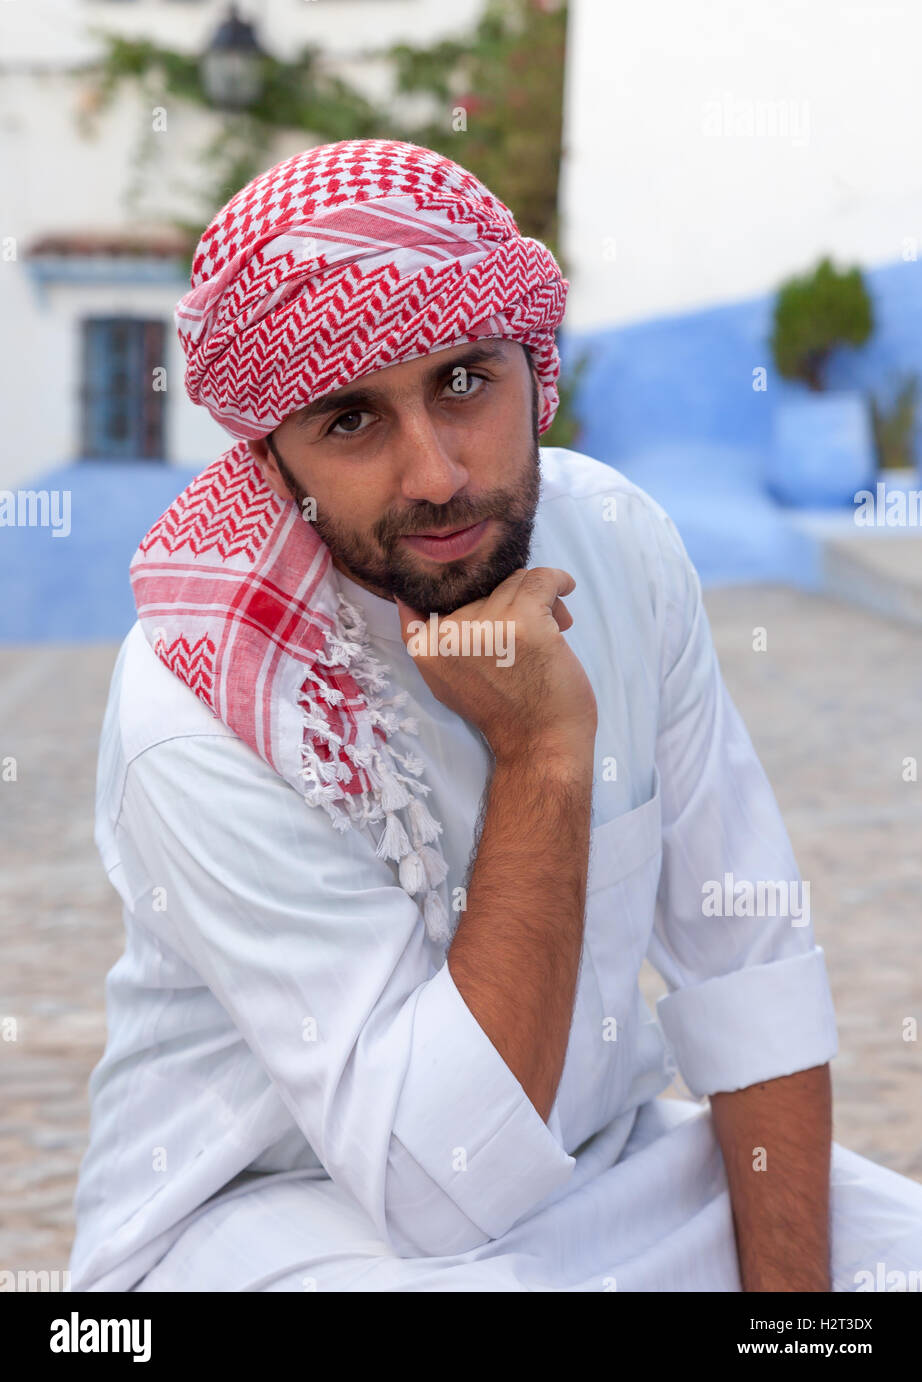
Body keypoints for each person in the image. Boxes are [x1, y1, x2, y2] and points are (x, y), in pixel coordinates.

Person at [69, 138, 922, 1293]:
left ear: (536, 367)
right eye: (350, 421)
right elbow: (439, 1187)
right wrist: (541, 751)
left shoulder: (618, 544)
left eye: (464, 382)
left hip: (600, 1173)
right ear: (275, 461)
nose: (433, 474)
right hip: (267, 1222)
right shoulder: (201, 708)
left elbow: (748, 965)